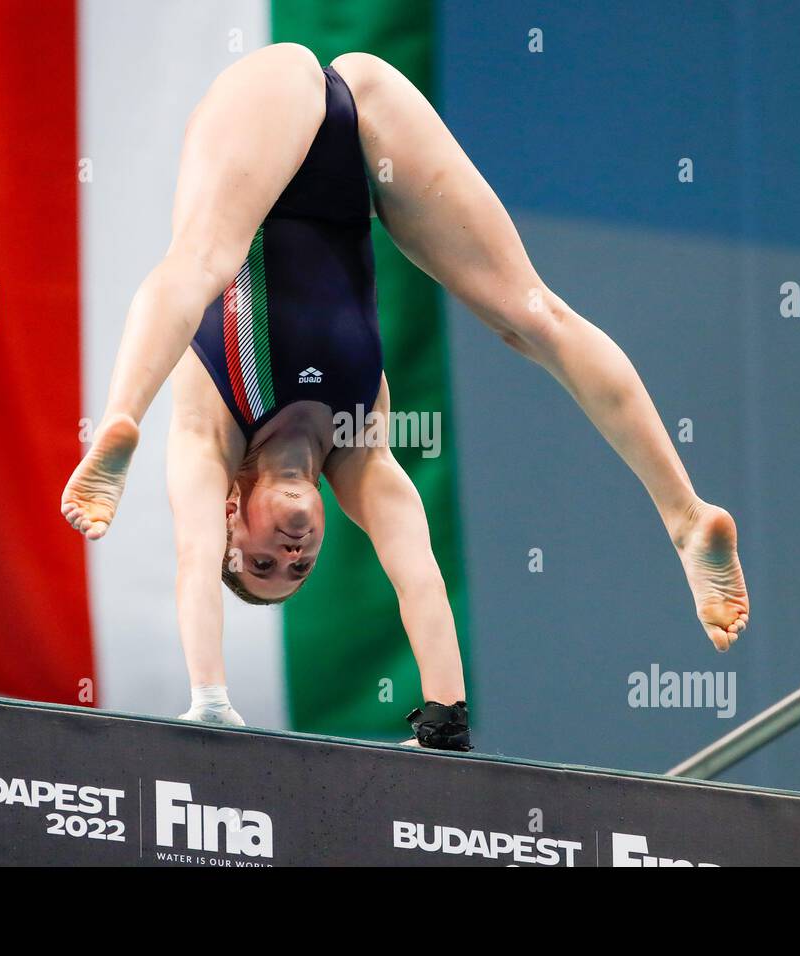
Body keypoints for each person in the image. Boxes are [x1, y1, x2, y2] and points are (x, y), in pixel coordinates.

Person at [60, 44, 749, 750]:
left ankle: (117, 421)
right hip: (364, 120)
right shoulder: (361, 454)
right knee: (532, 317)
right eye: (298, 568)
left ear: (230, 513)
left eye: (262, 560)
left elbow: (191, 557)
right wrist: (445, 717)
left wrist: (210, 701)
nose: (290, 552)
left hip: (267, 99)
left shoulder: (210, 438)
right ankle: (688, 518)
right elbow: (418, 574)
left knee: (202, 260)